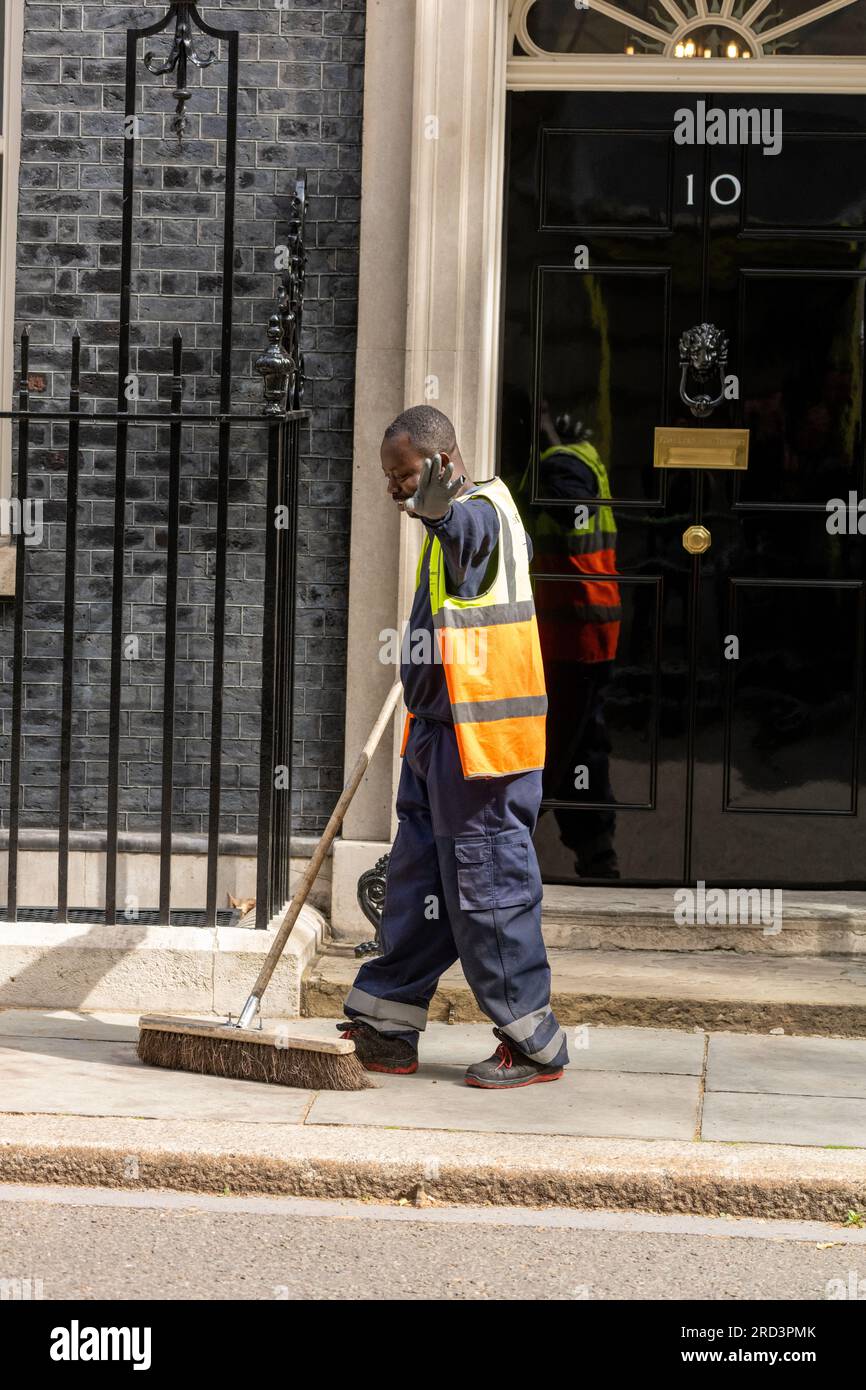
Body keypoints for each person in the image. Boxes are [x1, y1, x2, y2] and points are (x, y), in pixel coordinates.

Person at [338, 405, 568, 1089]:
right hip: (438, 739)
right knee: (420, 884)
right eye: (390, 478)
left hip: (483, 750)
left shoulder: (480, 517)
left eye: (402, 475)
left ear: (440, 465)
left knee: (488, 889)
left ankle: (534, 1044)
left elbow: (463, 532)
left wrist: (436, 511)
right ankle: (386, 1025)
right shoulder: (446, 526)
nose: (393, 490)